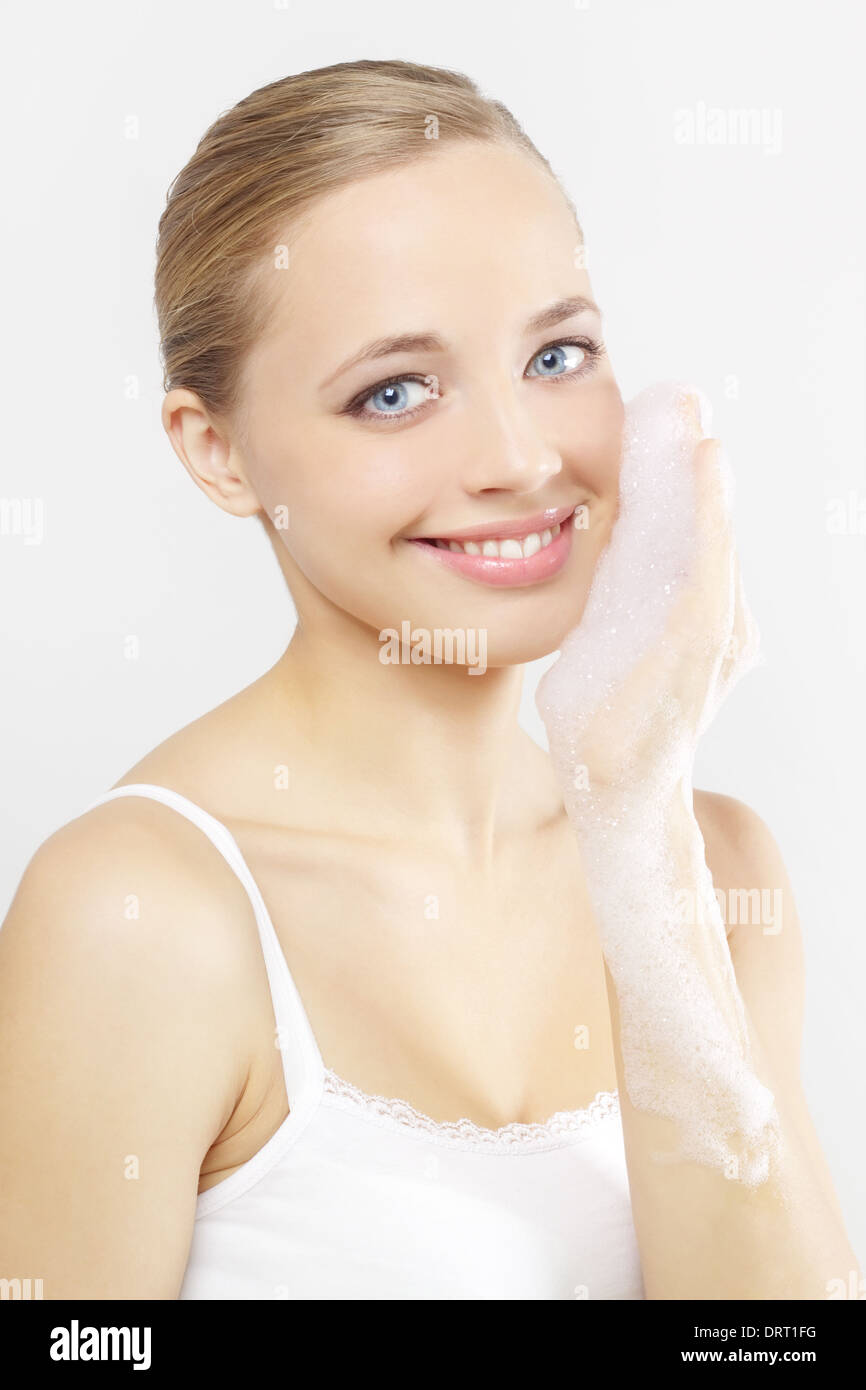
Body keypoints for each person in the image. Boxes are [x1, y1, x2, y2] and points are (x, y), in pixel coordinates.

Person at [0, 59, 856, 1300]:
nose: (516, 456)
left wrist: (634, 823)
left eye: (557, 356)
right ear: (218, 452)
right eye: (393, 393)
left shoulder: (711, 864)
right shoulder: (137, 915)